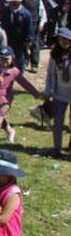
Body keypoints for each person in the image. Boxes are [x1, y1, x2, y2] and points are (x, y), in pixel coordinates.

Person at [44, 27, 71, 157]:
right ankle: (57, 148)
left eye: (66, 39)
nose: (64, 42)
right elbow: (50, 74)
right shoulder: (55, 55)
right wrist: (48, 91)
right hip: (59, 93)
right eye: (61, 39)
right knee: (58, 122)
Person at [0, 0, 35, 73]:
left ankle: (20, 73)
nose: (9, 4)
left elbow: (30, 28)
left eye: (11, 2)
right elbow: (2, 22)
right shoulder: (6, 11)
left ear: (17, 3)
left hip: (20, 40)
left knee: (19, 57)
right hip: (8, 38)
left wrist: (29, 40)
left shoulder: (25, 14)